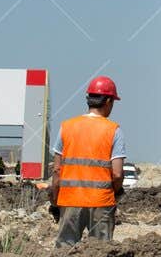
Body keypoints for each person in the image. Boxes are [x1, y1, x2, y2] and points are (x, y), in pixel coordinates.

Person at [49, 76, 126, 247]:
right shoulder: (114, 130)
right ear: (107, 101)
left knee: (64, 251)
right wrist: (116, 192)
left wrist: (55, 198)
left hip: (70, 200)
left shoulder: (66, 127)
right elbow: (117, 173)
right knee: (101, 253)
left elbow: (57, 171)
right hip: (101, 202)